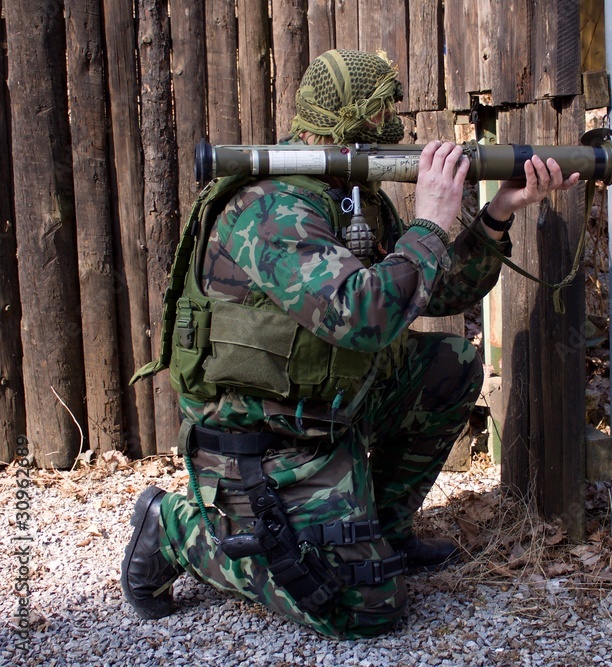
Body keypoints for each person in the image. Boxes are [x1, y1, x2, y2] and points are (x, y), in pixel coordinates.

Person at [121, 49, 579, 638]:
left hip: (333, 407)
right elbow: (361, 316)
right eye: (385, 113)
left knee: (448, 366)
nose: (397, 127)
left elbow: (434, 292)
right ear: (352, 124)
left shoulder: (350, 191)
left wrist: (496, 214)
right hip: (268, 437)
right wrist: (431, 221)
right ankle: (177, 528)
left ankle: (379, 532)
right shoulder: (272, 206)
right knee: (365, 610)